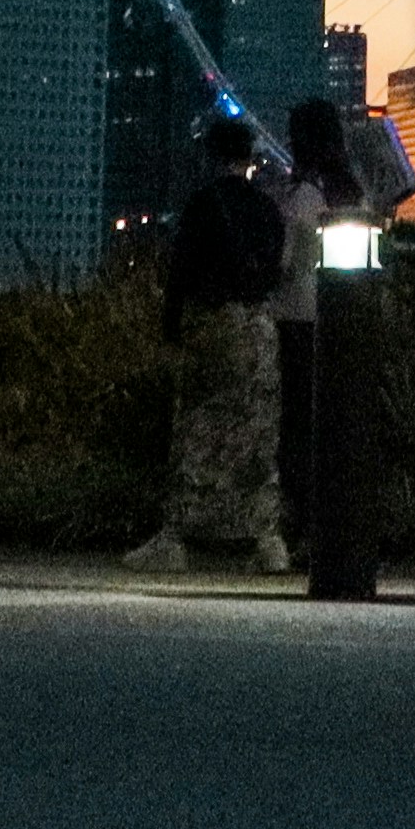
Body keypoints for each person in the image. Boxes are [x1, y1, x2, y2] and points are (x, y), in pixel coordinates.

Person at [127, 114, 290, 575]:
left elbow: (182, 273)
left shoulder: (204, 203)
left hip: (212, 325)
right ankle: (267, 540)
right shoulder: (268, 208)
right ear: (250, 156)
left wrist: (171, 329)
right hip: (259, 327)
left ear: (212, 153)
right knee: (258, 435)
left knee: (197, 430)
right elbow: (276, 272)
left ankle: (176, 537)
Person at [271, 95, 364, 537]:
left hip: (296, 317)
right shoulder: (351, 189)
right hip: (343, 319)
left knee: (294, 423)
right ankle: (333, 521)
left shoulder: (304, 196)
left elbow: (285, 263)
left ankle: (296, 520)